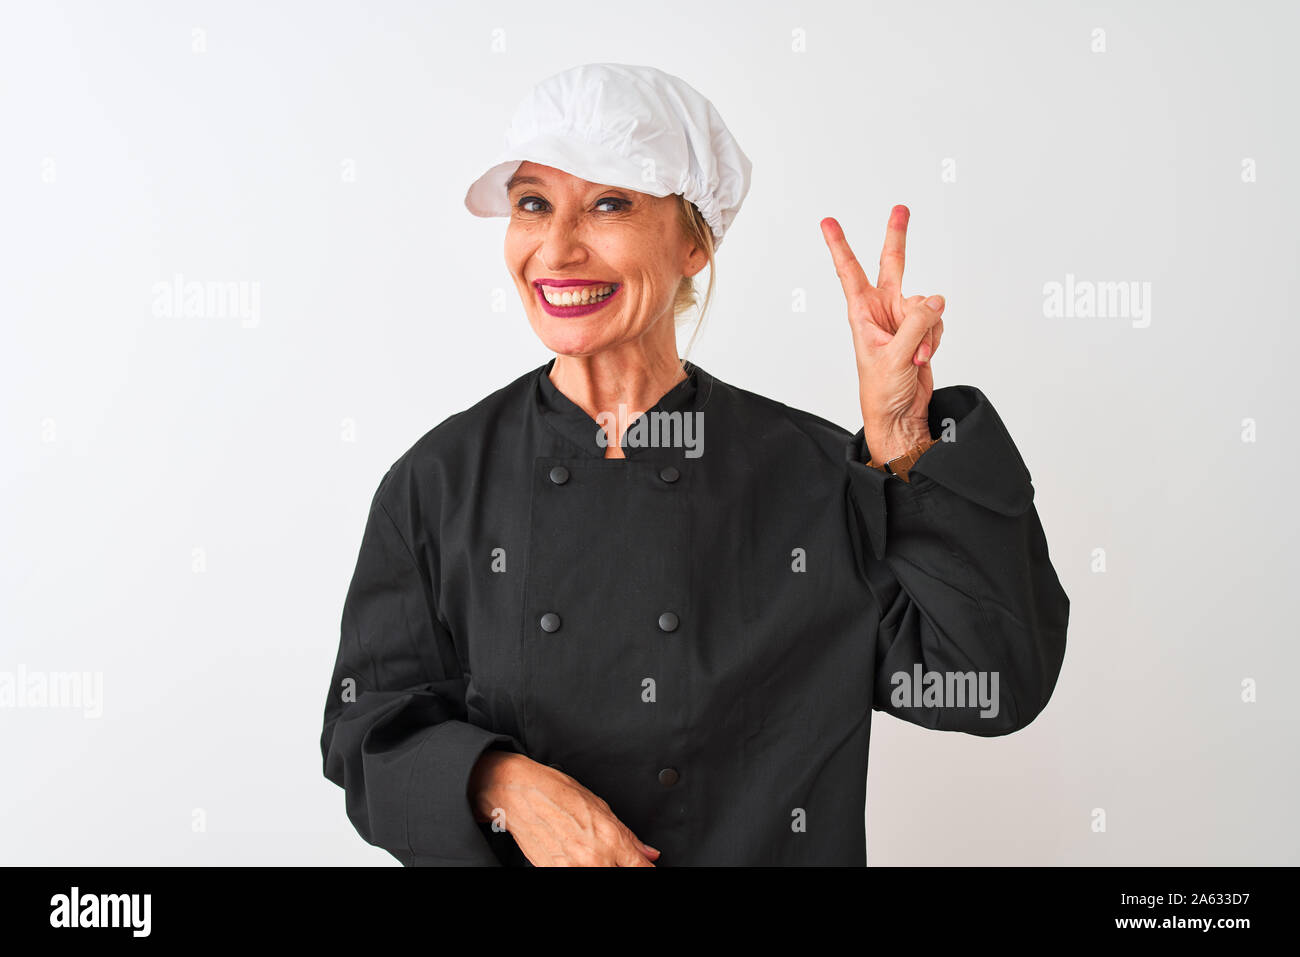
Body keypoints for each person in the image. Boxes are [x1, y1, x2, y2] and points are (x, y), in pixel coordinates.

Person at [319, 62, 1069, 866]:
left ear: (693, 244)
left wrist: (903, 435)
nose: (558, 248)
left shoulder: (812, 478)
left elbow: (993, 681)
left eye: (609, 203)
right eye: (533, 203)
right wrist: (500, 783)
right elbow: (370, 729)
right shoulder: (439, 482)